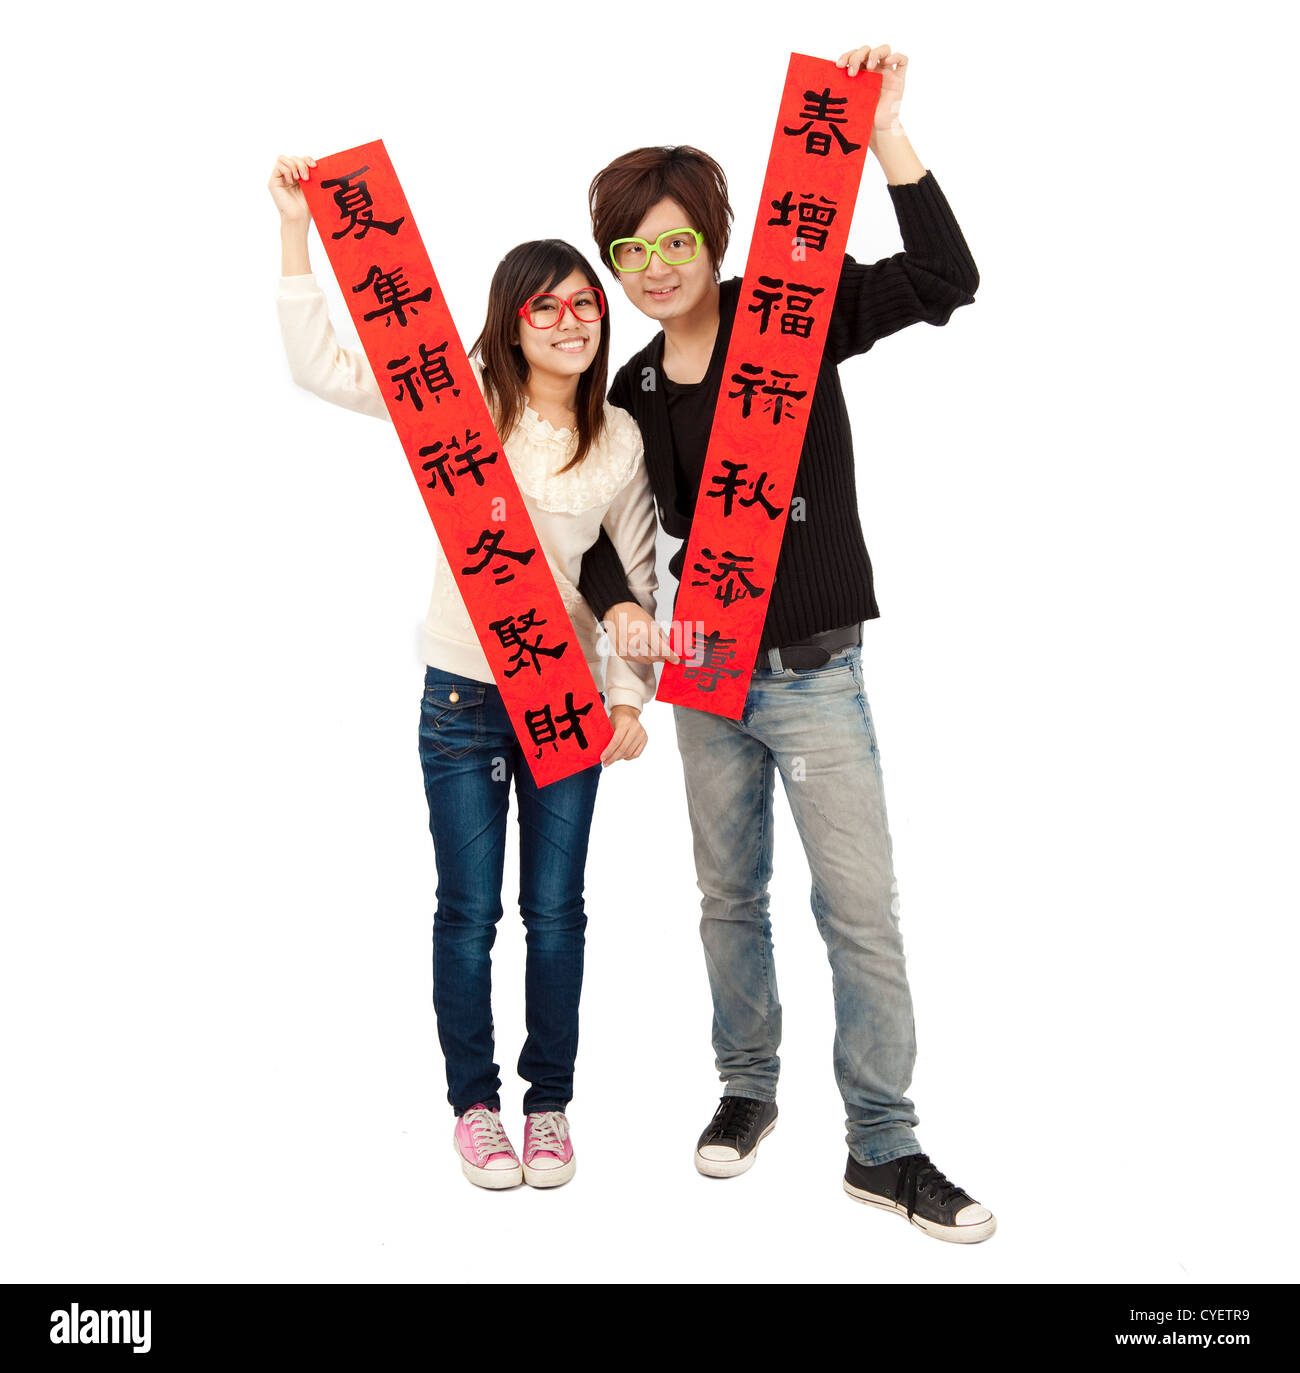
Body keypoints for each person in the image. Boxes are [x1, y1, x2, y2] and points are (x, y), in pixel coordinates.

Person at [574, 43, 997, 1242]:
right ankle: (747, 1088)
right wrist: (618, 603)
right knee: (726, 896)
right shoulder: (638, 390)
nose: (654, 269)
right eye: (629, 252)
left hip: (812, 673)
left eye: (672, 241)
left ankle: (885, 1141)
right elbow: (601, 527)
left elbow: (945, 276)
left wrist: (887, 140)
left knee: (858, 906)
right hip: (705, 681)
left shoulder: (789, 317)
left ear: (711, 235)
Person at [268, 153, 658, 1191]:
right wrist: (295, 232)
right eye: (547, 308)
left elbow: (636, 581)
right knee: (470, 910)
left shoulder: (617, 436)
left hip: (566, 700)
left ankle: (551, 1105)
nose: (572, 322)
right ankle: (475, 1105)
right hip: (460, 694)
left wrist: (628, 700)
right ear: (511, 320)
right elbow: (323, 368)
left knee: (559, 911)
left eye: (585, 305)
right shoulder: (460, 404)